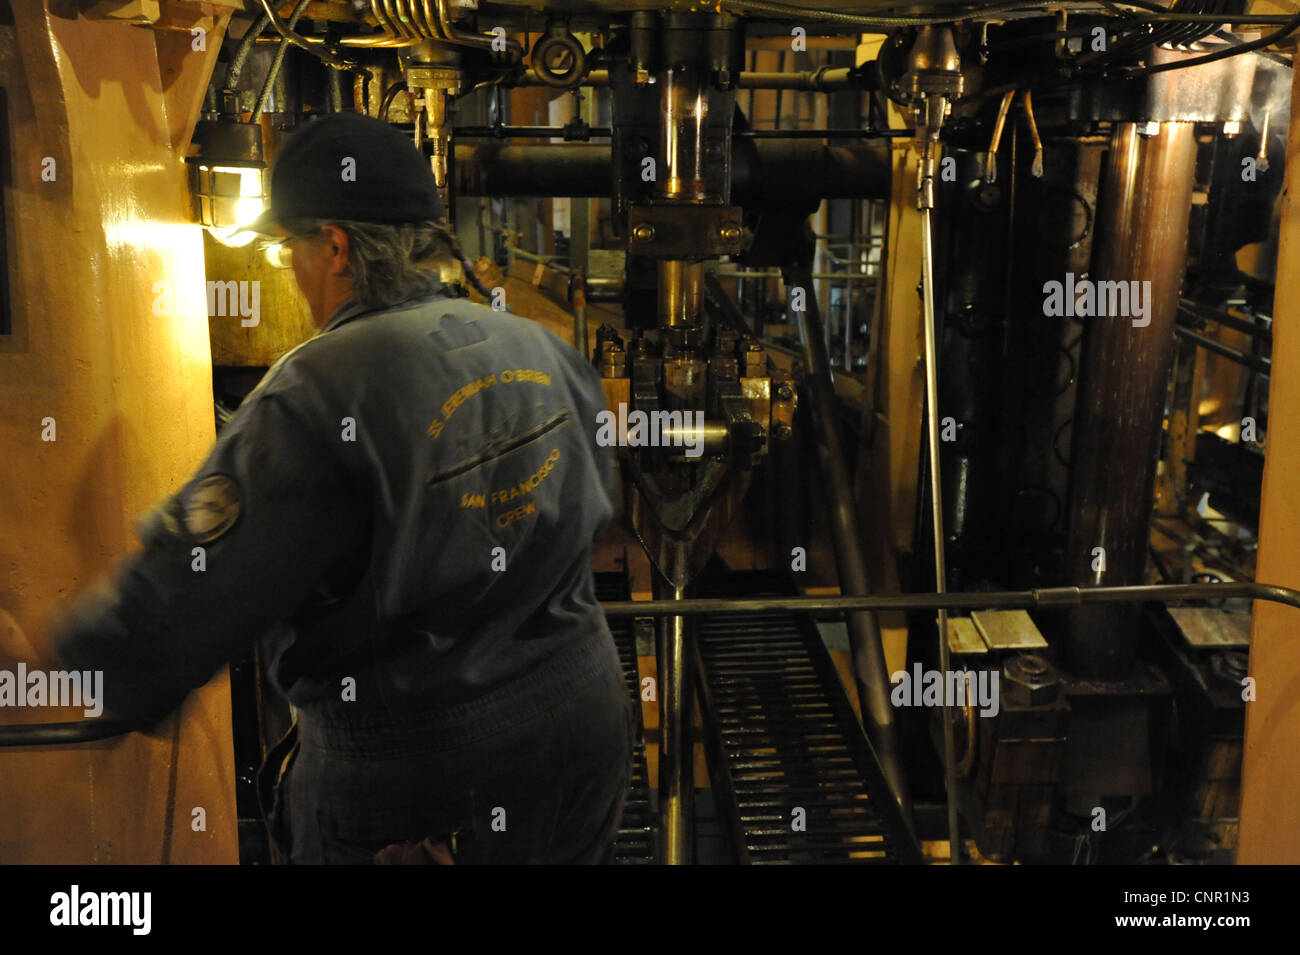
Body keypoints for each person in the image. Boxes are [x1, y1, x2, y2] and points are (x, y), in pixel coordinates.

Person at [48, 111, 634, 864]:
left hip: (421, 788)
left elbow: (183, 608)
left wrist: (75, 659)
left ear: (334, 246)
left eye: (290, 244)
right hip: (582, 731)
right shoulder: (541, 347)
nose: (287, 267)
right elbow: (592, 509)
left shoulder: (314, 395)